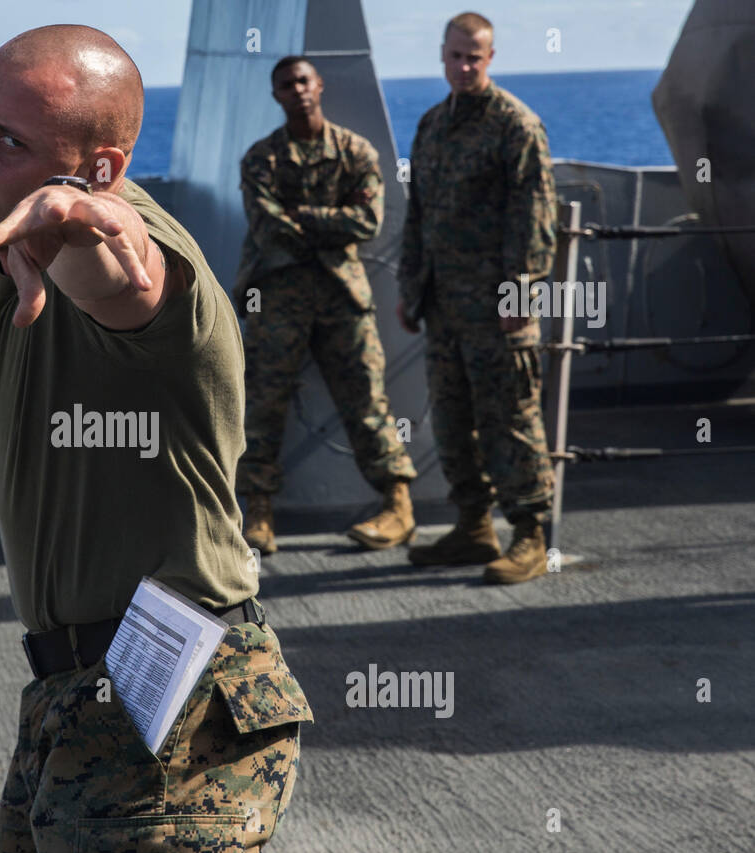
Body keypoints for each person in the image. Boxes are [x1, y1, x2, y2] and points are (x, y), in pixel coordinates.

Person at [0, 24, 313, 853]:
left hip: (179, 699)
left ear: (101, 169)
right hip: (74, 690)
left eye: (8, 141)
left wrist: (78, 223)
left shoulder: (151, 264)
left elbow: (122, 276)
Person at [398, 11, 558, 584]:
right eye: (456, 56)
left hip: (498, 310)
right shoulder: (432, 125)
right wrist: (410, 290)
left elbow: (534, 216)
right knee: (452, 422)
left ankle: (531, 535)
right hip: (444, 307)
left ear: (490, 59)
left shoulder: (516, 125)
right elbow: (419, 216)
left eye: (474, 57)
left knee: (509, 421)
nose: (464, 66)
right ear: (442, 56)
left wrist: (520, 292)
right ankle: (473, 527)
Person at [234, 57, 417, 556]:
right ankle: (259, 511)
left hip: (341, 295)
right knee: (263, 400)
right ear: (276, 95)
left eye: (303, 81)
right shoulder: (262, 159)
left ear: (319, 86)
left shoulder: (355, 152)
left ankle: (398, 505)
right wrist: (329, 223)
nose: (297, 90)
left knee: (366, 396)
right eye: (286, 84)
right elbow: (267, 225)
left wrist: (304, 216)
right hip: (278, 294)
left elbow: (367, 222)